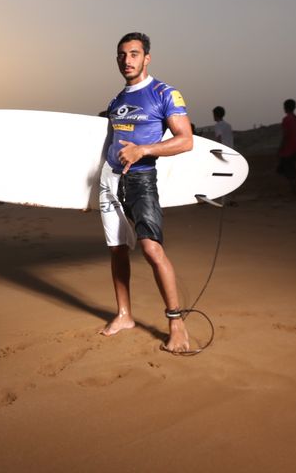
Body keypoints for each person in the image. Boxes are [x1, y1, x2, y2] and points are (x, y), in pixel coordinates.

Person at [97, 32, 192, 354]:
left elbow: (185, 140)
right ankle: (124, 315)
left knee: (152, 251)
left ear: (146, 58)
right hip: (109, 181)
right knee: (117, 250)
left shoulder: (164, 93)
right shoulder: (117, 100)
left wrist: (143, 150)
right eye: (122, 54)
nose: (127, 60)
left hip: (140, 181)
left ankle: (177, 324)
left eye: (134, 54)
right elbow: (107, 144)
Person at [277, 99, 296, 195]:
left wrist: (281, 147)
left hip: (288, 150)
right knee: (290, 169)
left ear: (285, 107)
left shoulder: (286, 119)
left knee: (287, 170)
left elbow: (285, 135)